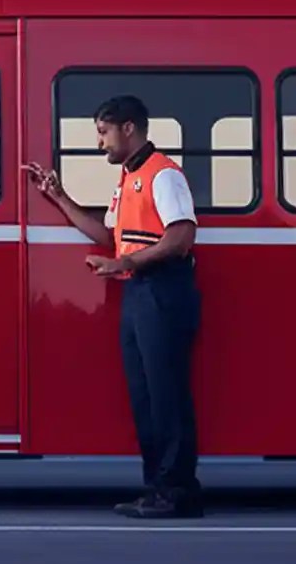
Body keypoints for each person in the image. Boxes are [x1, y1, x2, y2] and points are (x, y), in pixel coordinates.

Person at [24, 95, 203, 519]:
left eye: (104, 132)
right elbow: (111, 236)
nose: (100, 142)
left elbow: (181, 237)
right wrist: (59, 197)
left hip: (164, 290)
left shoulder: (162, 174)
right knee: (145, 395)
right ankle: (157, 488)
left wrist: (125, 263)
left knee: (166, 394)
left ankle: (178, 491)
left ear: (128, 128)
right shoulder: (128, 178)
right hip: (140, 292)